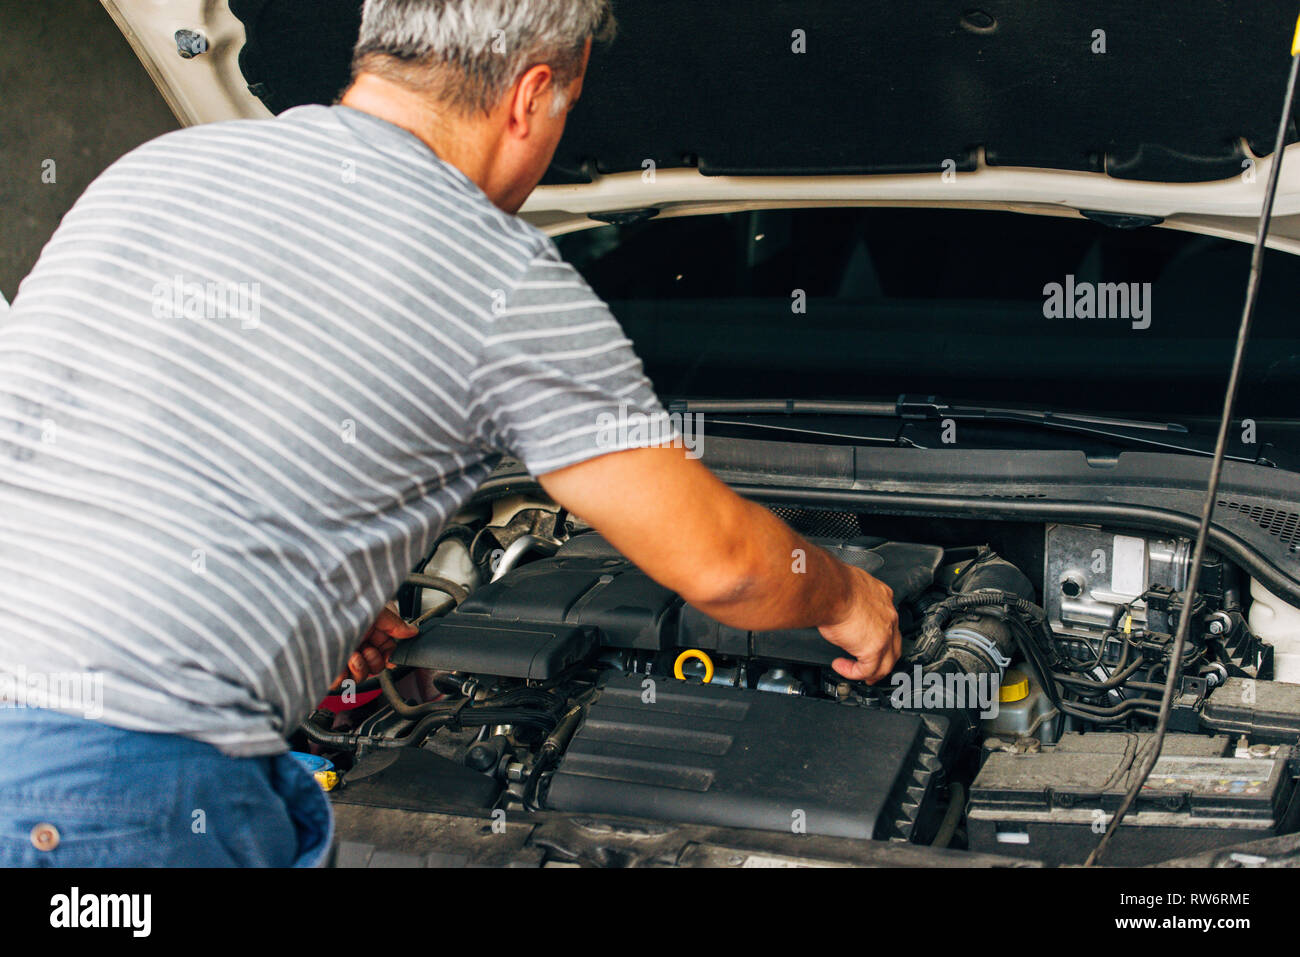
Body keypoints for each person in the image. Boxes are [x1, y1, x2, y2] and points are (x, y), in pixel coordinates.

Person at [0, 0, 899, 866]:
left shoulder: (159, 170)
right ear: (530, 94)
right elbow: (727, 565)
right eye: (567, 111)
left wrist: (309, 606)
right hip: (108, 795)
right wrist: (847, 597)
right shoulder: (489, 271)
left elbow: (134, 423)